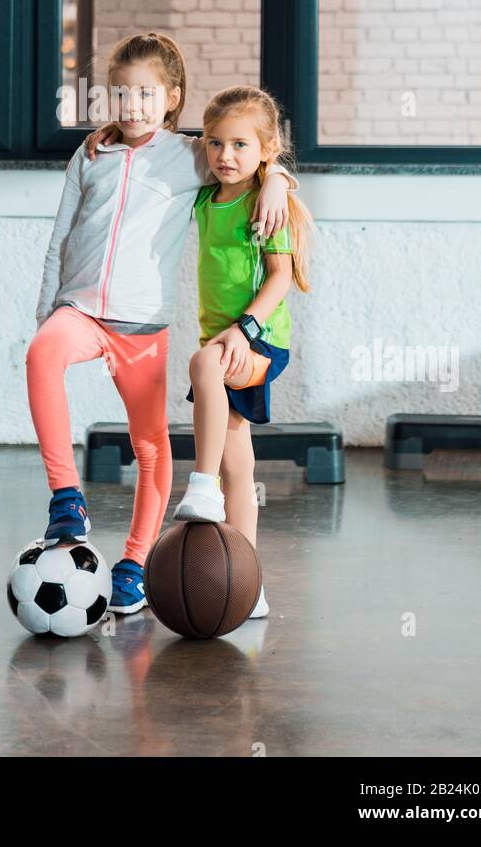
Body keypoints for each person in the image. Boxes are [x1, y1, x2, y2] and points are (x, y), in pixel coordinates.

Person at [25, 31, 298, 615]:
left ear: (171, 98)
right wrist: (50, 310)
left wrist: (278, 178)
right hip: (81, 310)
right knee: (41, 353)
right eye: (120, 95)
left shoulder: (190, 156)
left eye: (146, 95)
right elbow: (59, 237)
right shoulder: (90, 153)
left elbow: (249, 157)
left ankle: (134, 565)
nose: (132, 107)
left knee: (151, 445)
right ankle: (66, 498)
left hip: (143, 325)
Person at [172, 84, 313, 618]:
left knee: (205, 364)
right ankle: (248, 581)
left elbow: (280, 279)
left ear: (266, 150)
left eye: (240, 145)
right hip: (221, 336)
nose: (225, 156)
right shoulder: (208, 198)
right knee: (239, 457)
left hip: (259, 339)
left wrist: (245, 330)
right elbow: (166, 148)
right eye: (215, 144)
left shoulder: (269, 202)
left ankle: (200, 485)